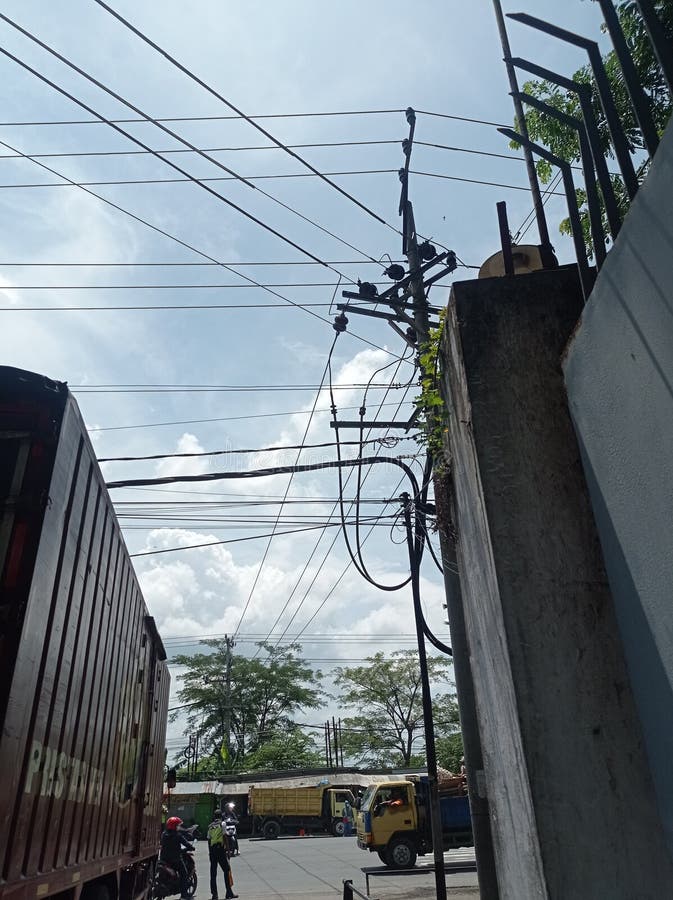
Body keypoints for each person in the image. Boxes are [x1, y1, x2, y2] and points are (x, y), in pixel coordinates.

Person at [160, 816, 194, 900]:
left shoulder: (164, 834)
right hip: (175, 860)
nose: (179, 827)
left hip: (163, 859)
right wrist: (191, 847)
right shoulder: (178, 835)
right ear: (174, 826)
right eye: (178, 825)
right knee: (184, 873)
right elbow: (186, 844)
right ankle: (184, 895)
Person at [207, 809, 237, 900]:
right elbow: (225, 837)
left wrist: (210, 853)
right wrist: (228, 851)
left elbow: (209, 840)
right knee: (226, 870)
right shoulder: (222, 824)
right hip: (220, 850)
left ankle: (214, 895)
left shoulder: (210, 826)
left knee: (213, 874)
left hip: (212, 851)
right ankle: (229, 892)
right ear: (221, 816)